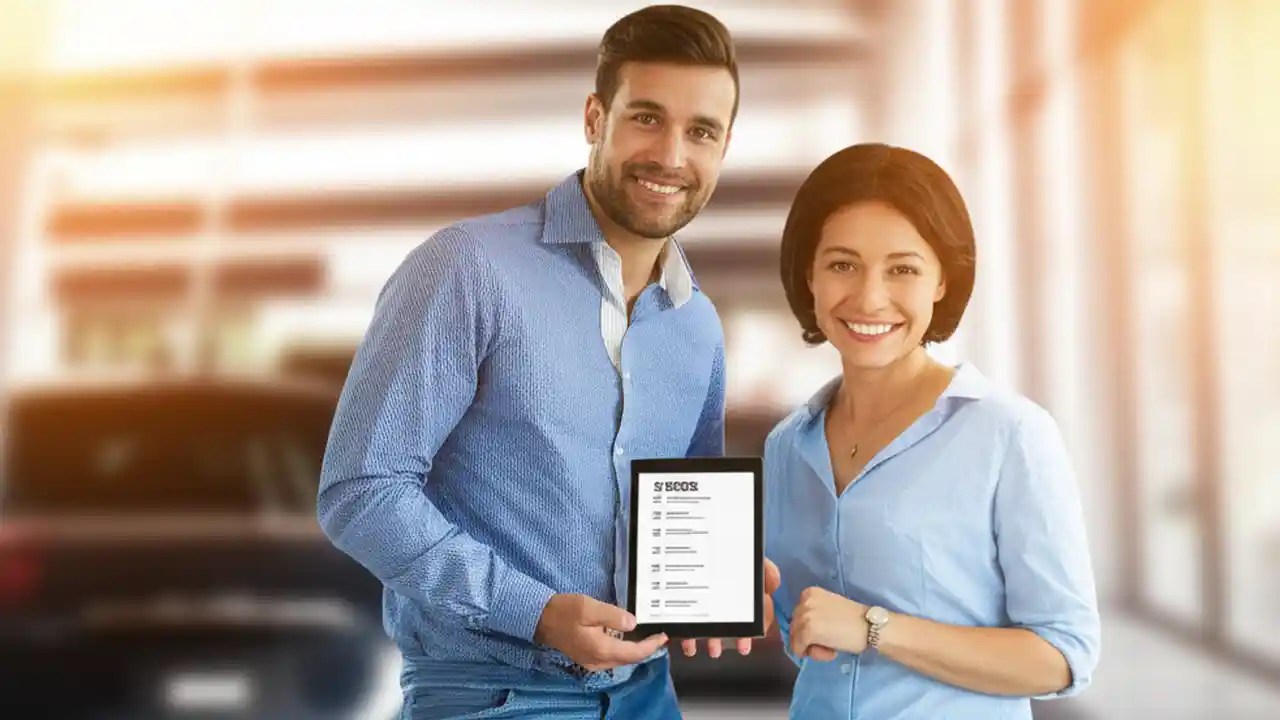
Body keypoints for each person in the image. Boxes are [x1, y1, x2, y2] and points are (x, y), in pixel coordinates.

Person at [317, 6, 777, 719]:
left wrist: (727, 578)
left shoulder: (697, 326)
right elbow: (361, 489)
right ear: (595, 118)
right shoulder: (466, 268)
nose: (672, 156)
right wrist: (536, 612)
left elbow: (683, 513)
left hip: (648, 697)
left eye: (702, 131)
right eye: (646, 118)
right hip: (490, 696)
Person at [765, 143, 1101, 719]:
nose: (870, 297)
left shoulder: (1009, 434)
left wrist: (875, 628)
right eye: (842, 264)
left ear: (942, 280)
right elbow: (814, 640)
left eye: (903, 269)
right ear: (810, 276)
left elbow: (1063, 655)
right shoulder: (787, 447)